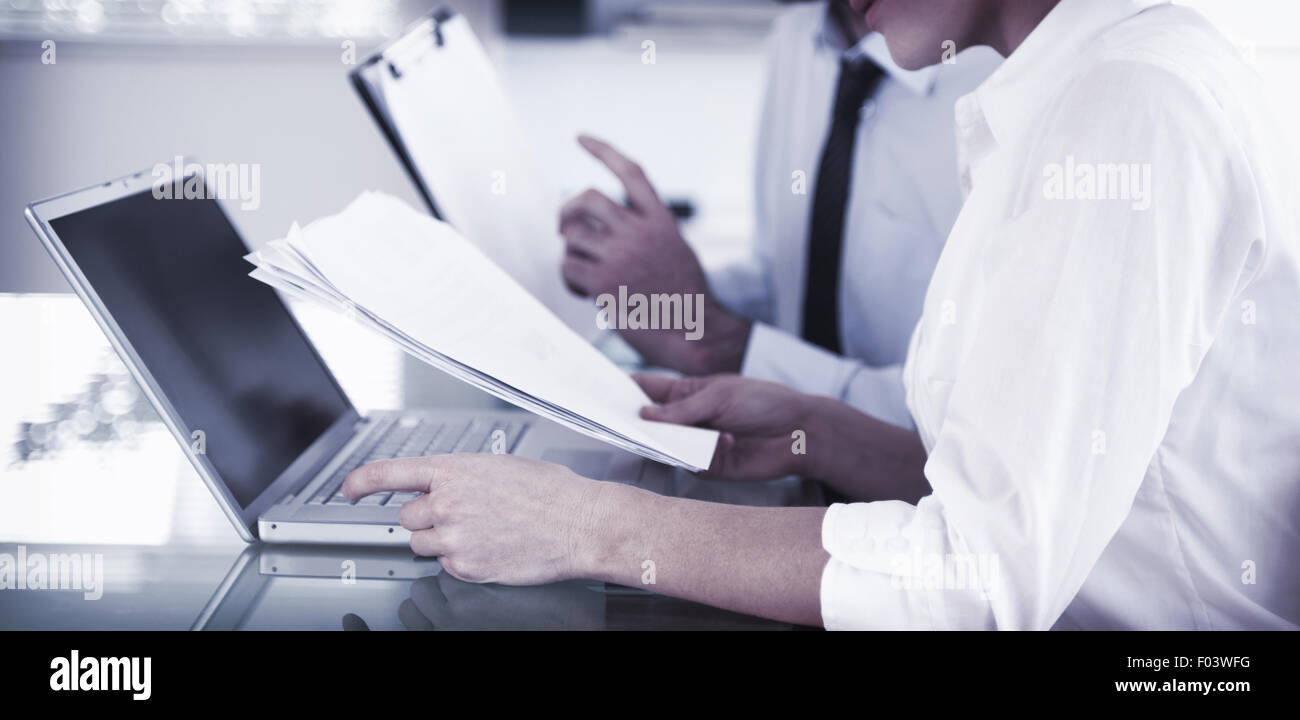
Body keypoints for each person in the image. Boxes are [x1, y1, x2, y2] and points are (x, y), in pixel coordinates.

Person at [343, 0, 1300, 630]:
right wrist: (817, 432)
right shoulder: (1087, 83)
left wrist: (588, 525)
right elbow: (1046, 489)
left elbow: (981, 575)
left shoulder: (1129, 103)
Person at [559, 0, 999, 428]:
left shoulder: (1001, 78)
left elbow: (961, 426)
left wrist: (719, 342)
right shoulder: (797, 36)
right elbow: (789, 286)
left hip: (909, 496)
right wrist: (657, 287)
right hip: (791, 467)